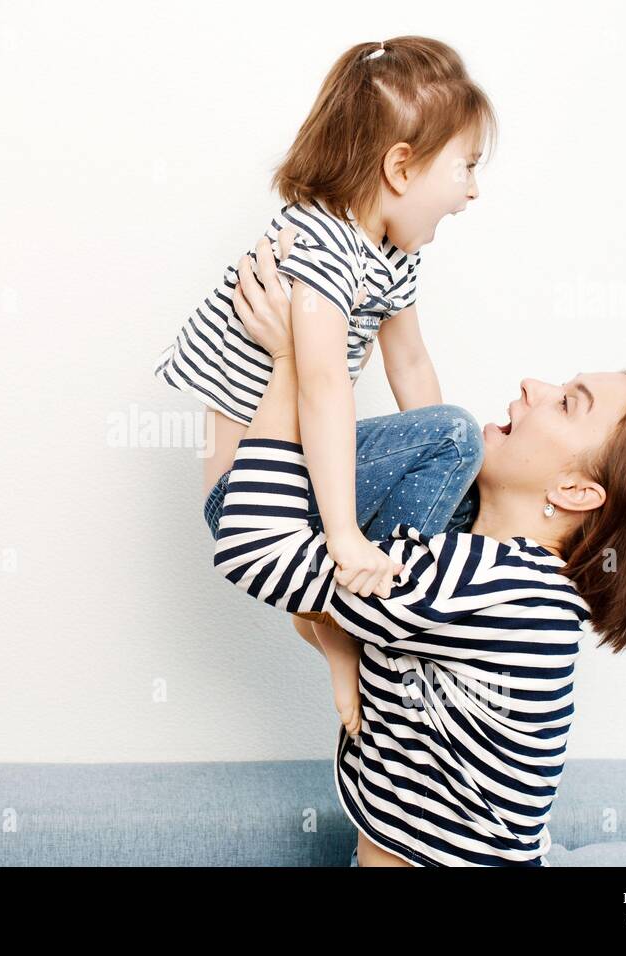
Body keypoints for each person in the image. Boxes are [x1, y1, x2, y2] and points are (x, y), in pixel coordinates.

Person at [214, 232, 626, 867]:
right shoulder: (508, 579)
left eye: (565, 403)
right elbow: (317, 603)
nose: (533, 385)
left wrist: (292, 365)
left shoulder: (484, 585)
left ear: (576, 490)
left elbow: (252, 548)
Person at [153, 39, 498, 731]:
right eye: (466, 166)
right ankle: (370, 612)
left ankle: (336, 621)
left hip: (299, 486)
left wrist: (453, 478)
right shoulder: (319, 244)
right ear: (401, 168)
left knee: (464, 482)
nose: (472, 191)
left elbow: (409, 364)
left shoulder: (390, 253)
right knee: (458, 436)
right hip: (247, 496)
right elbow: (321, 387)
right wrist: (342, 534)